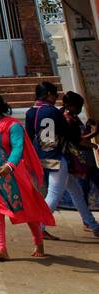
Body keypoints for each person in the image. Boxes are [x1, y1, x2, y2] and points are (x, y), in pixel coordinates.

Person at [0, 90, 54, 261]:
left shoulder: (13, 126)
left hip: (12, 174)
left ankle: (38, 240)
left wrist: (9, 166)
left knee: (25, 207)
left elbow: (18, 148)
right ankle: (2, 249)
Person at [24, 81, 81, 240]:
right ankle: (39, 227)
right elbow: (68, 134)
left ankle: (90, 222)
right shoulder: (53, 112)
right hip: (55, 157)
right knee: (54, 194)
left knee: (75, 190)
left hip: (38, 158)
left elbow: (28, 137)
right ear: (48, 94)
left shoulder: (30, 112)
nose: (57, 98)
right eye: (55, 94)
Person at [58, 91, 99, 234]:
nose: (80, 108)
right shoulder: (68, 119)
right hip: (75, 161)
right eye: (79, 106)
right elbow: (78, 140)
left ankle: (91, 223)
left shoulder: (67, 117)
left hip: (75, 161)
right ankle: (40, 226)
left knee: (79, 193)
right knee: (57, 196)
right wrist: (94, 137)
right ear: (71, 105)